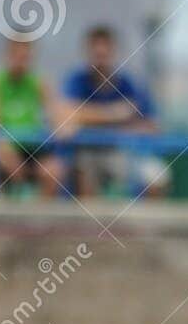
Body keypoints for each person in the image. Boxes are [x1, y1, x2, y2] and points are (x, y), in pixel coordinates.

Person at [57, 24, 170, 199]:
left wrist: (90, 120)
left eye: (106, 51)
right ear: (87, 52)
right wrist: (114, 114)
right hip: (87, 153)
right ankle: (92, 226)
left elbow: (152, 126)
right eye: (96, 51)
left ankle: (144, 226)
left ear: (114, 51)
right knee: (82, 169)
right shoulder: (76, 80)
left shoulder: (129, 83)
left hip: (124, 152)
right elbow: (66, 114)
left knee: (156, 178)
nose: (101, 57)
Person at [0, 36, 64, 197]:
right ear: (7, 55)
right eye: (16, 55)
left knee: (54, 170)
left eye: (25, 57)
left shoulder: (40, 82)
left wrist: (62, 126)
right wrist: (5, 151)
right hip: (2, 148)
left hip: (32, 147)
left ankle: (40, 218)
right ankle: (0, 215)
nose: (20, 61)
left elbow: (56, 118)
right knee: (3, 159)